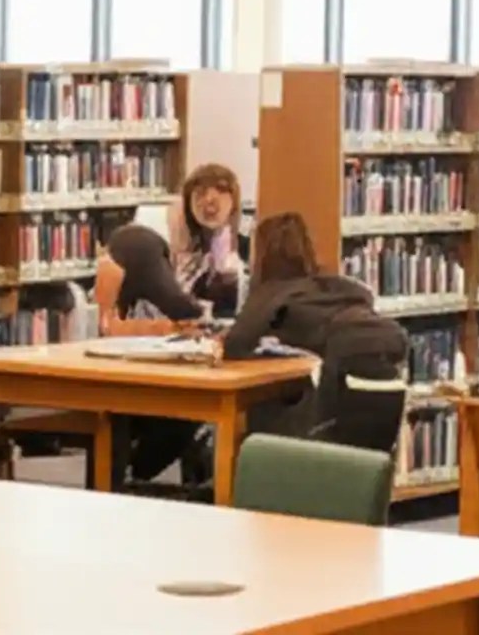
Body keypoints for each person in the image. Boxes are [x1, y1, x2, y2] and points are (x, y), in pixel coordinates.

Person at [92, 164, 245, 485]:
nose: (210, 203)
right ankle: (130, 477)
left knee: (196, 408)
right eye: (201, 194)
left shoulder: (224, 244)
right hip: (132, 358)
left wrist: (224, 266)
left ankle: (138, 476)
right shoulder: (146, 240)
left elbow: (223, 307)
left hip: (169, 354)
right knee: (191, 411)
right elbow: (180, 306)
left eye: (220, 194)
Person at [224, 212, 409, 452]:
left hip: (327, 414)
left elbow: (235, 345)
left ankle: (234, 485)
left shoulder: (273, 291)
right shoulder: (340, 287)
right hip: (377, 407)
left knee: (256, 415)